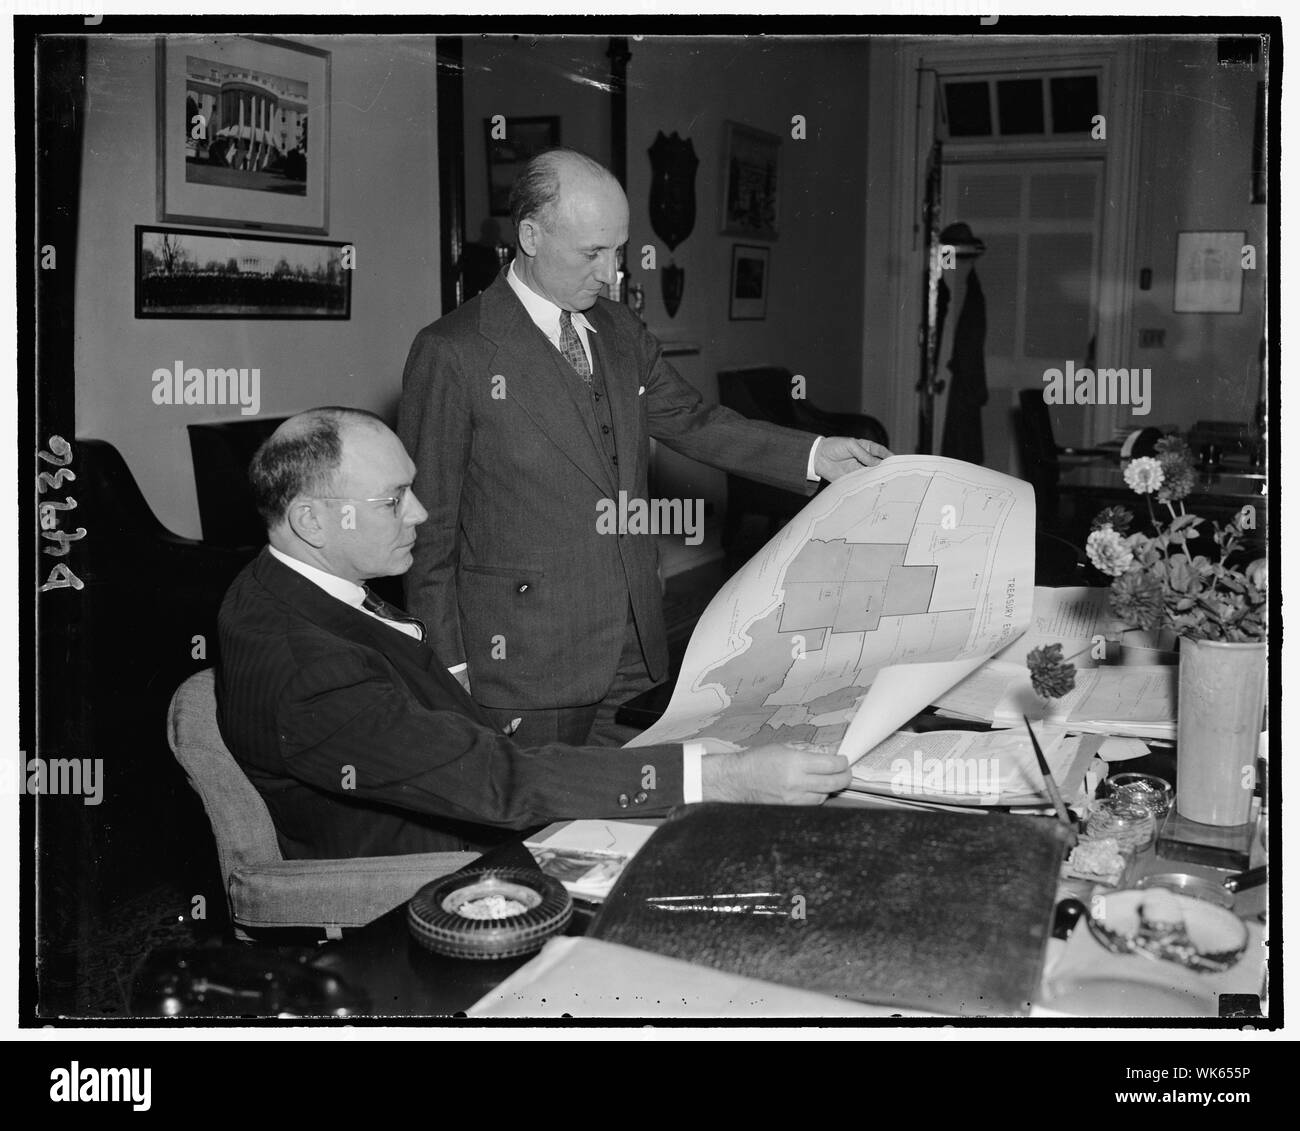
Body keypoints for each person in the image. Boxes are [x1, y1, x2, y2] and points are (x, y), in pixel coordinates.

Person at [399, 148, 891, 747]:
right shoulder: (453, 351)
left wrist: (816, 454)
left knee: (632, 813)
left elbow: (694, 420)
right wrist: (448, 667)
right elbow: (428, 528)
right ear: (530, 236)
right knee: (539, 825)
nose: (611, 274)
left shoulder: (621, 331)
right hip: (524, 659)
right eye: (592, 254)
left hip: (636, 645)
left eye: (618, 251)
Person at [215, 408, 852, 859]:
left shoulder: (290, 582)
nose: (421, 513)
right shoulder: (307, 667)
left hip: (462, 800)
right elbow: (493, 783)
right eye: (393, 500)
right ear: (311, 521)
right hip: (440, 868)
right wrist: (718, 780)